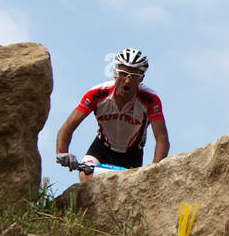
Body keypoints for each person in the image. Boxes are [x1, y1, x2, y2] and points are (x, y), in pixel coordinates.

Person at [55, 48, 169, 180]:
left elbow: (162, 139)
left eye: (134, 76)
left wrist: (155, 171)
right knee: (85, 176)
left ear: (141, 78)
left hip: (132, 155)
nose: (127, 81)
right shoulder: (97, 94)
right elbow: (68, 126)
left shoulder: (150, 100)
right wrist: (62, 152)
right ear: (115, 73)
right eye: (123, 74)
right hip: (101, 149)